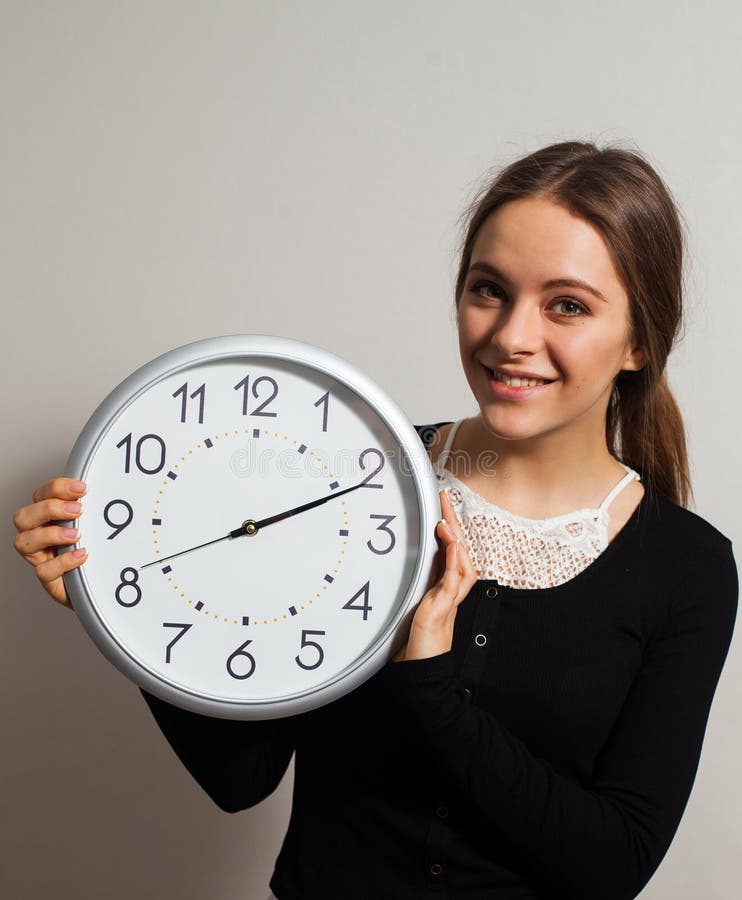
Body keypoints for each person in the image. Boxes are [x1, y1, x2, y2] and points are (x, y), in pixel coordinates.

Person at [12, 139, 739, 900]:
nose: (510, 337)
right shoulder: (349, 476)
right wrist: (126, 608)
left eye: (567, 305)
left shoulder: (686, 568)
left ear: (640, 341)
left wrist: (428, 688)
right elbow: (241, 778)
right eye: (489, 290)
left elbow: (613, 862)